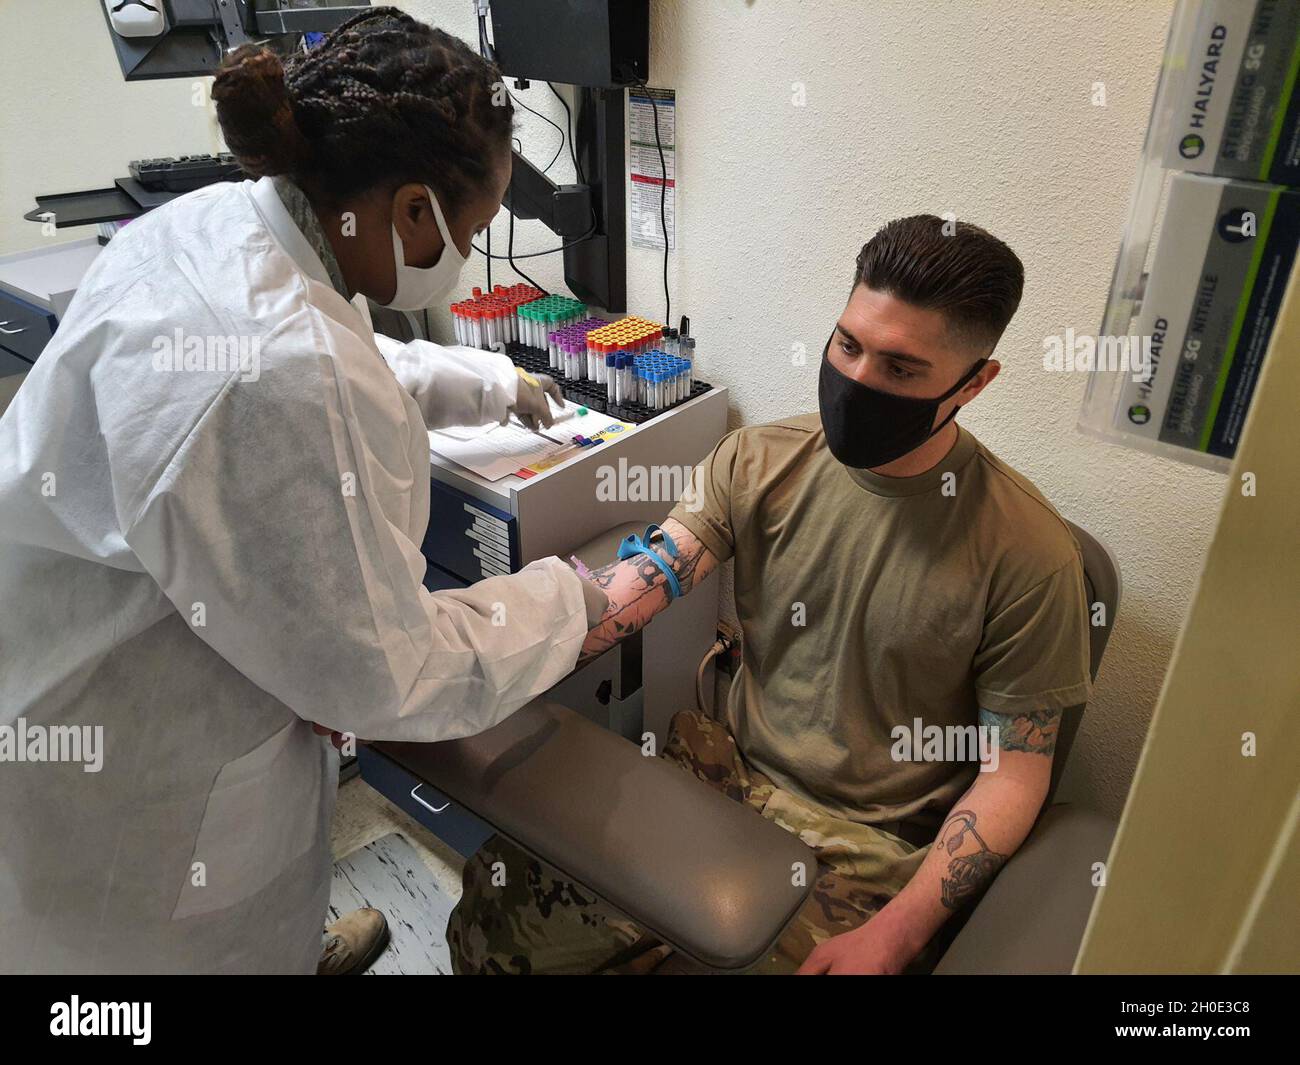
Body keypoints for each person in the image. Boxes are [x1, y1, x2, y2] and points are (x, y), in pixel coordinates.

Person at [0, 8, 606, 975]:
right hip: (132, 782)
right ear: (415, 211)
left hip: (63, 646)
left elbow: (334, 350)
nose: (469, 249)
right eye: (477, 228)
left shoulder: (226, 222)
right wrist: (567, 599)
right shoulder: (275, 377)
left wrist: (492, 382)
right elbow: (386, 670)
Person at [447, 216, 1093, 975]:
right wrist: (447, 661)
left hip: (866, 851)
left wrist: (900, 934)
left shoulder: (1027, 552)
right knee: (497, 925)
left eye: (901, 368)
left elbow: (1014, 772)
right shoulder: (759, 462)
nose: (857, 381)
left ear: (974, 382)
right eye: (848, 344)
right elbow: (633, 590)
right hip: (724, 777)